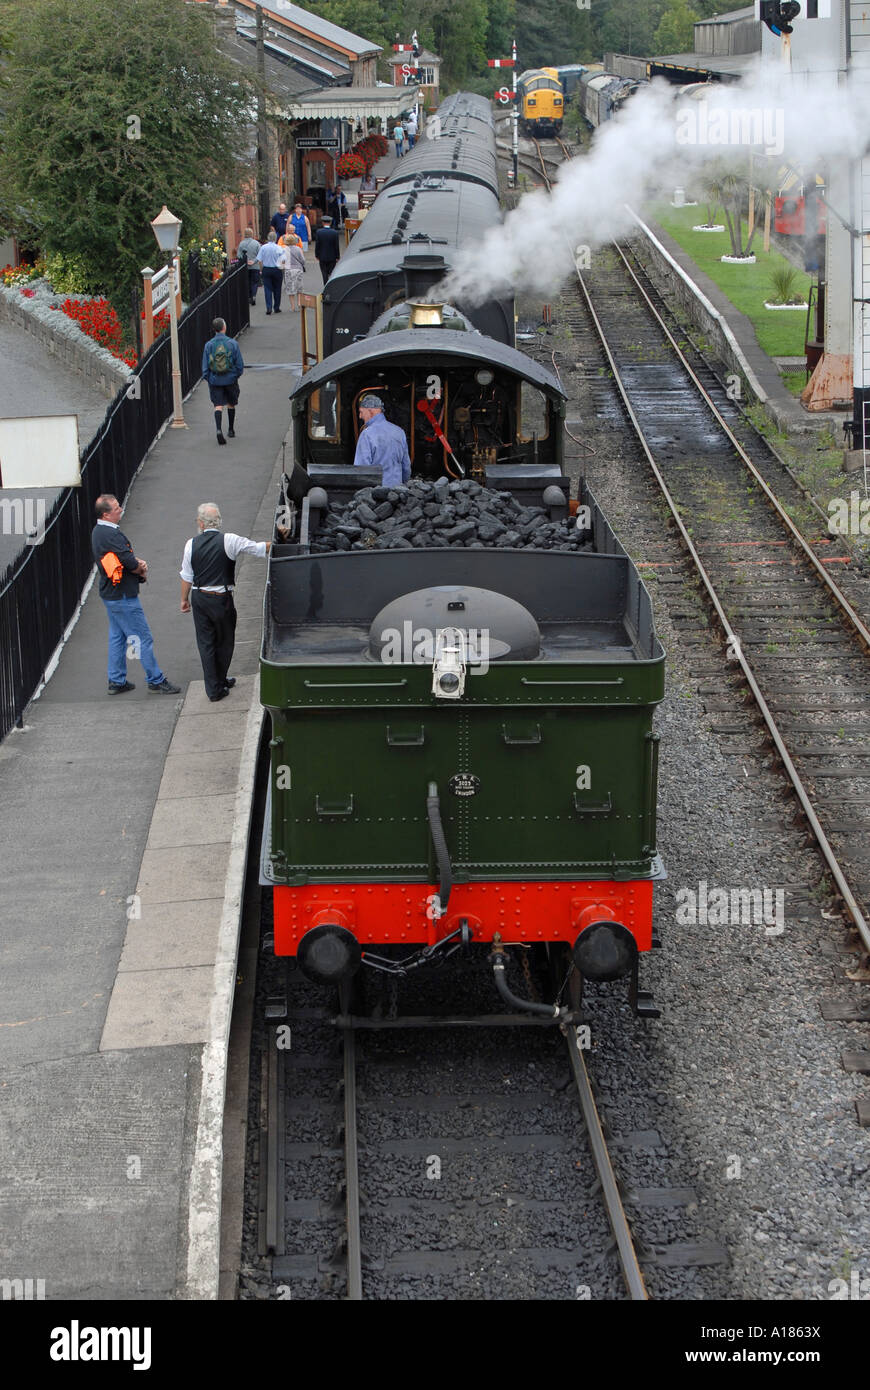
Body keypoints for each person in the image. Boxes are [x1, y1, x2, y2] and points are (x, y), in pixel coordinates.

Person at [179, 503, 271, 702]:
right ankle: (217, 684)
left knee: (206, 644)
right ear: (218, 521)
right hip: (222, 599)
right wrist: (276, 540)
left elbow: (187, 576)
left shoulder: (190, 544)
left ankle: (215, 684)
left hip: (200, 597)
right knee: (225, 641)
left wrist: (184, 600)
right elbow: (257, 548)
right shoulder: (229, 540)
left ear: (200, 523)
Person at [91, 494, 180, 697]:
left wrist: (134, 563)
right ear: (106, 514)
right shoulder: (111, 535)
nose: (120, 509)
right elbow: (128, 562)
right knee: (142, 638)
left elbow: (120, 560)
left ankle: (116, 680)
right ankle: (155, 680)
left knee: (118, 636)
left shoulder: (98, 532)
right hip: (123, 597)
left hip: (110, 594)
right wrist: (140, 567)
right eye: (116, 508)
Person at [202, 317, 244, 445]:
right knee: (231, 403)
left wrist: (210, 378)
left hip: (215, 380)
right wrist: (235, 376)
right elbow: (239, 365)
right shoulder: (232, 343)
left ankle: (219, 429)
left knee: (218, 406)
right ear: (224, 328)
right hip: (230, 379)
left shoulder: (209, 345)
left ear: (214, 330)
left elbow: (205, 368)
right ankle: (231, 430)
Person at [353, 395, 411, 485]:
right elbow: (406, 467)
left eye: (361, 412)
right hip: (396, 492)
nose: (360, 416)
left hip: (375, 493)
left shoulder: (367, 434)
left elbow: (361, 470)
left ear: (370, 411)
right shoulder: (399, 432)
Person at [256, 230, 284, 314]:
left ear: (268, 238)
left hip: (266, 269)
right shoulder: (279, 248)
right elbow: (283, 260)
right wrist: (282, 269)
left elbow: (259, 260)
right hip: (277, 269)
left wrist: (261, 269)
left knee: (267, 289)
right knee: (277, 289)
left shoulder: (263, 247)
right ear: (275, 239)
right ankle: (276, 307)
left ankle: (269, 308)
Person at [280, 231, 306, 309]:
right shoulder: (298, 249)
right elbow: (303, 260)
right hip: (298, 269)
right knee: (299, 287)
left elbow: (282, 261)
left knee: (290, 288)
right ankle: (298, 303)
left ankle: (292, 306)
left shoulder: (284, 250)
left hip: (288, 270)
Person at [236, 226, 261, 306]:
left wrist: (245, 261)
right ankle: (253, 295)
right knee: (254, 282)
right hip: (255, 266)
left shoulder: (241, 243)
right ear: (252, 234)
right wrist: (254, 261)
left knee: (247, 282)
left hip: (245, 267)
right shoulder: (256, 243)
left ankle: (249, 296)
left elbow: (239, 255)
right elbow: (260, 255)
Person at [313, 215, 341, 286]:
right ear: (330, 222)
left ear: (323, 223)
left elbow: (317, 245)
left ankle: (325, 285)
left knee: (324, 273)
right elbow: (336, 246)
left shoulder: (319, 232)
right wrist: (337, 256)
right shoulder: (334, 233)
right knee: (331, 273)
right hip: (332, 257)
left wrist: (317, 254)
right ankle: (330, 285)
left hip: (322, 256)